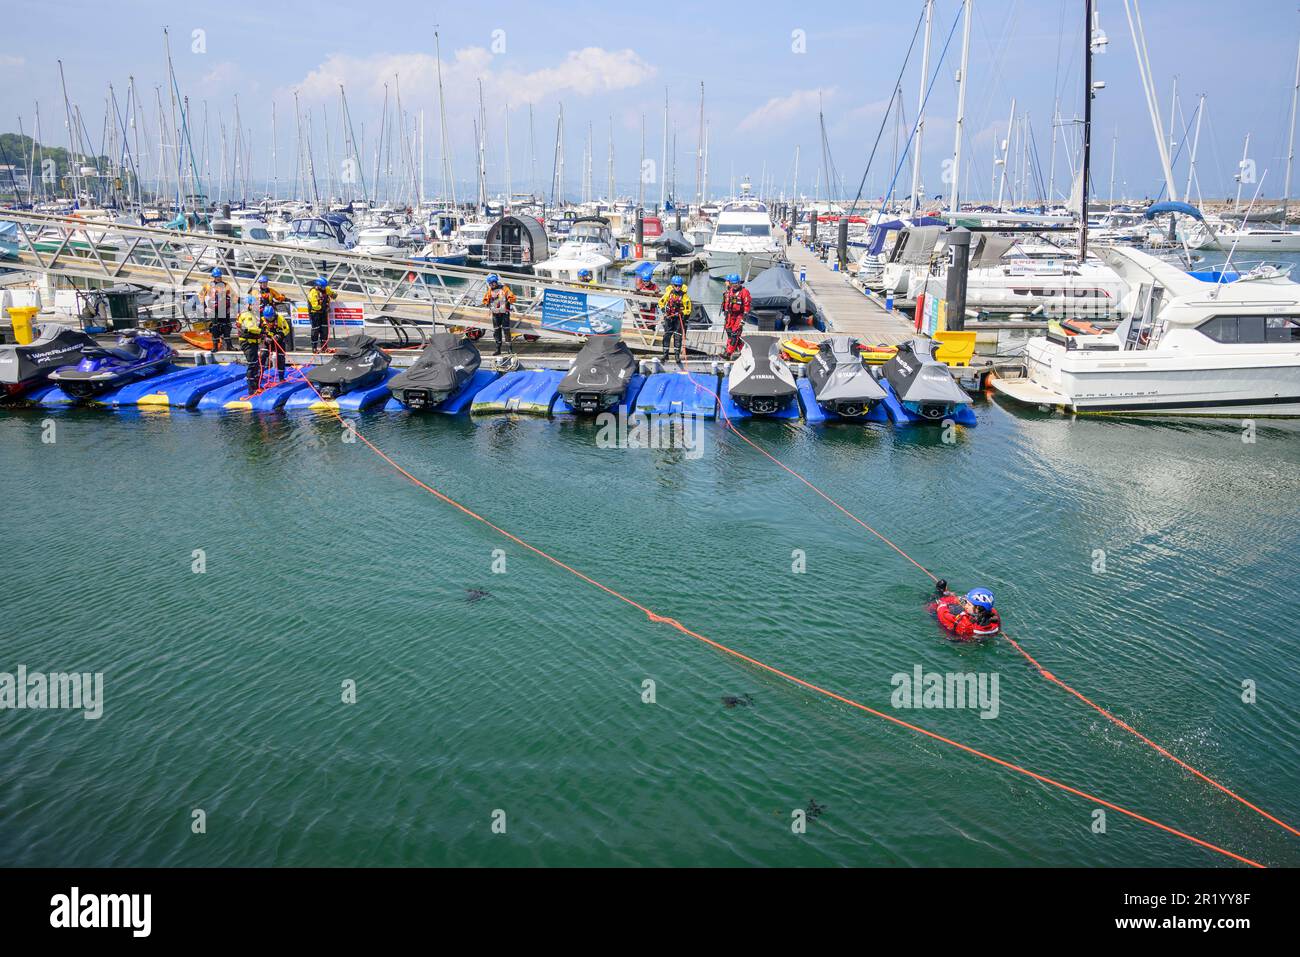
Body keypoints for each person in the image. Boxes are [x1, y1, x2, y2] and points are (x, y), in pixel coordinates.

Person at [927, 579, 1000, 641]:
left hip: (956, 634)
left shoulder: (964, 624)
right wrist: (959, 599)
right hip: (977, 635)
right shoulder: (994, 615)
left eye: (968, 604)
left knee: (931, 607)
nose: (966, 605)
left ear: (977, 608)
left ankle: (939, 593)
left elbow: (942, 614)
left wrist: (944, 601)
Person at [657, 275, 692, 363]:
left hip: (678, 319)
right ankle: (665, 355)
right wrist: (664, 312)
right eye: (676, 285)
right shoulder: (668, 294)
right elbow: (661, 302)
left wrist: (682, 313)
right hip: (669, 318)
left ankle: (677, 356)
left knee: (678, 337)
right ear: (673, 285)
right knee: (667, 336)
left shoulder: (685, 296)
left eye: (679, 286)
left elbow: (688, 309)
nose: (678, 287)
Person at [481, 273, 517, 356]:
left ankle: (509, 349)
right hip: (495, 314)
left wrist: (508, 301)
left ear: (496, 282)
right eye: (490, 284)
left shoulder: (504, 289)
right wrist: (487, 304)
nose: (491, 285)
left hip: (504, 313)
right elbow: (485, 300)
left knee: (506, 331)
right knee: (497, 331)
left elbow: (513, 298)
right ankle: (498, 349)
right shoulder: (490, 291)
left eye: (492, 283)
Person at [200, 268, 234, 352]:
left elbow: (233, 296)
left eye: (219, 276)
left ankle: (229, 346)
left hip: (224, 310)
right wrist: (205, 308)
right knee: (215, 328)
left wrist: (231, 307)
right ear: (213, 277)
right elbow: (201, 296)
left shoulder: (226, 285)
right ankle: (215, 346)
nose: (218, 278)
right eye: (216, 277)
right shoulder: (208, 286)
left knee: (226, 327)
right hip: (213, 310)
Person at [235, 298, 264, 394]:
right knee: (252, 364)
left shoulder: (251, 314)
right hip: (248, 343)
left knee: (255, 364)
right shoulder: (247, 315)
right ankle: (251, 389)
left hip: (252, 342)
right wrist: (262, 332)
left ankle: (256, 385)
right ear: (249, 305)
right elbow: (251, 328)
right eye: (254, 305)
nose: (256, 306)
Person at [721, 273, 751, 359]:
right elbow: (727, 302)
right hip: (731, 315)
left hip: (740, 315)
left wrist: (743, 319)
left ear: (739, 283)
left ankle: (728, 353)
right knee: (729, 332)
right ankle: (743, 350)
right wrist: (726, 312)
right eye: (733, 284)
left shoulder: (744, 292)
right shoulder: (730, 291)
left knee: (735, 333)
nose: (734, 286)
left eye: (736, 284)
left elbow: (747, 306)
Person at [258, 304, 291, 382]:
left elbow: (286, 329)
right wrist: (264, 338)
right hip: (267, 341)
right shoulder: (261, 320)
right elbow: (257, 331)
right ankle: (260, 375)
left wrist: (279, 336)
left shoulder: (280, 318)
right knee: (262, 355)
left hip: (278, 341)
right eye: (268, 318)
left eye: (271, 318)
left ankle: (281, 377)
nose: (270, 321)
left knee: (281, 358)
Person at [306, 277, 337, 353]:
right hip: (315, 313)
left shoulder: (326, 289)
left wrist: (333, 295)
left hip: (323, 313)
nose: (324, 288)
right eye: (322, 287)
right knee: (315, 330)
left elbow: (332, 293)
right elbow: (315, 306)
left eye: (325, 287)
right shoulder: (313, 293)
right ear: (318, 285)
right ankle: (314, 348)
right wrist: (324, 307)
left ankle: (324, 347)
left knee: (324, 330)